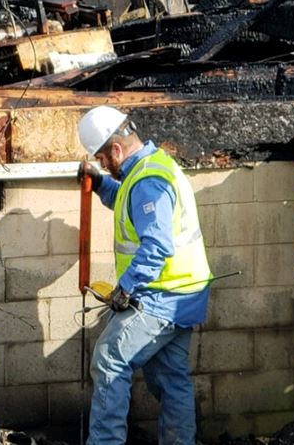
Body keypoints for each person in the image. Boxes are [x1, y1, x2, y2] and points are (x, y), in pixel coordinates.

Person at [77, 105, 212, 445]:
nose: (104, 164)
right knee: (170, 377)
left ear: (117, 150)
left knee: (109, 359)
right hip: (185, 292)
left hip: (162, 296)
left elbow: (156, 245)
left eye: (104, 159)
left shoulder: (148, 181)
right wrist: (99, 183)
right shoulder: (150, 169)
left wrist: (125, 289)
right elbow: (126, 199)